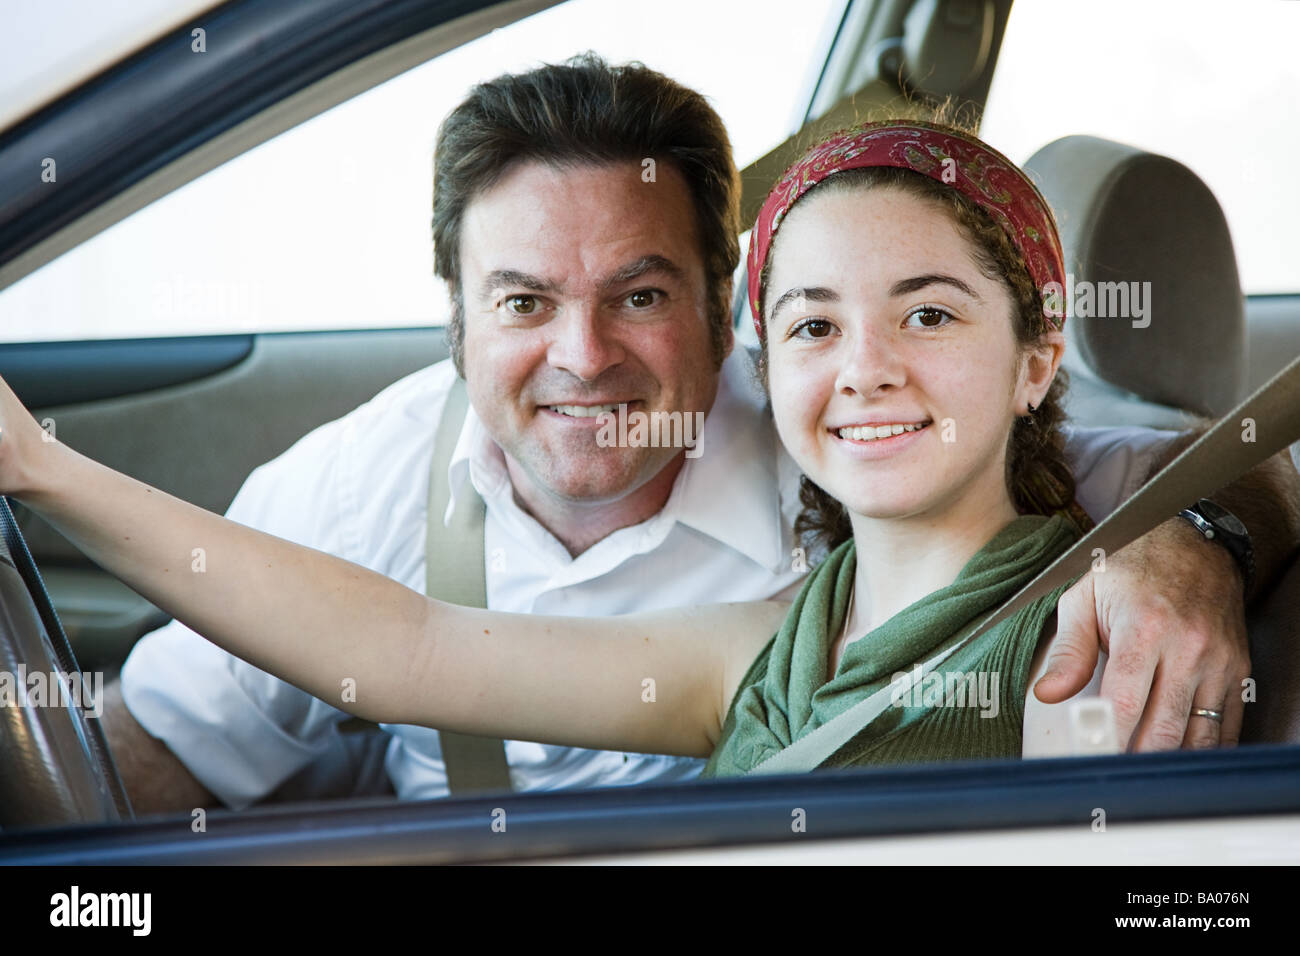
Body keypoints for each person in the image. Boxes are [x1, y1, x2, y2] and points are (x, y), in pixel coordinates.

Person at [92, 56, 1284, 811]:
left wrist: (1196, 538)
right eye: (522, 300)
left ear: (722, 322)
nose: (582, 353)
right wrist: (39, 466)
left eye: (642, 293)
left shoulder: (1062, 600)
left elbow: (1241, 470)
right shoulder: (758, 645)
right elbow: (408, 650)